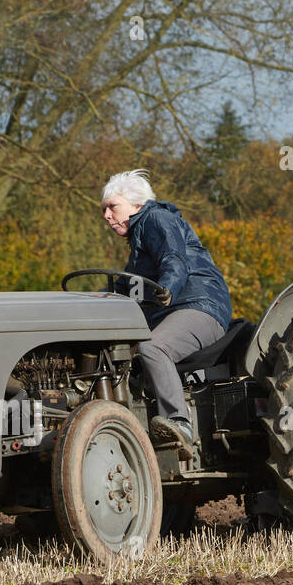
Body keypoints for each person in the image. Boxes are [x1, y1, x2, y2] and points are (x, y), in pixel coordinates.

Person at [101, 170, 232, 451]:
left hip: (200, 306)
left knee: (153, 349)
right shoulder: (137, 249)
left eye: (112, 207)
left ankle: (179, 423)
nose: (106, 216)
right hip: (171, 311)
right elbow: (125, 290)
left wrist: (166, 289)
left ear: (135, 203)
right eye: (104, 210)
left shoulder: (156, 218)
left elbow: (174, 258)